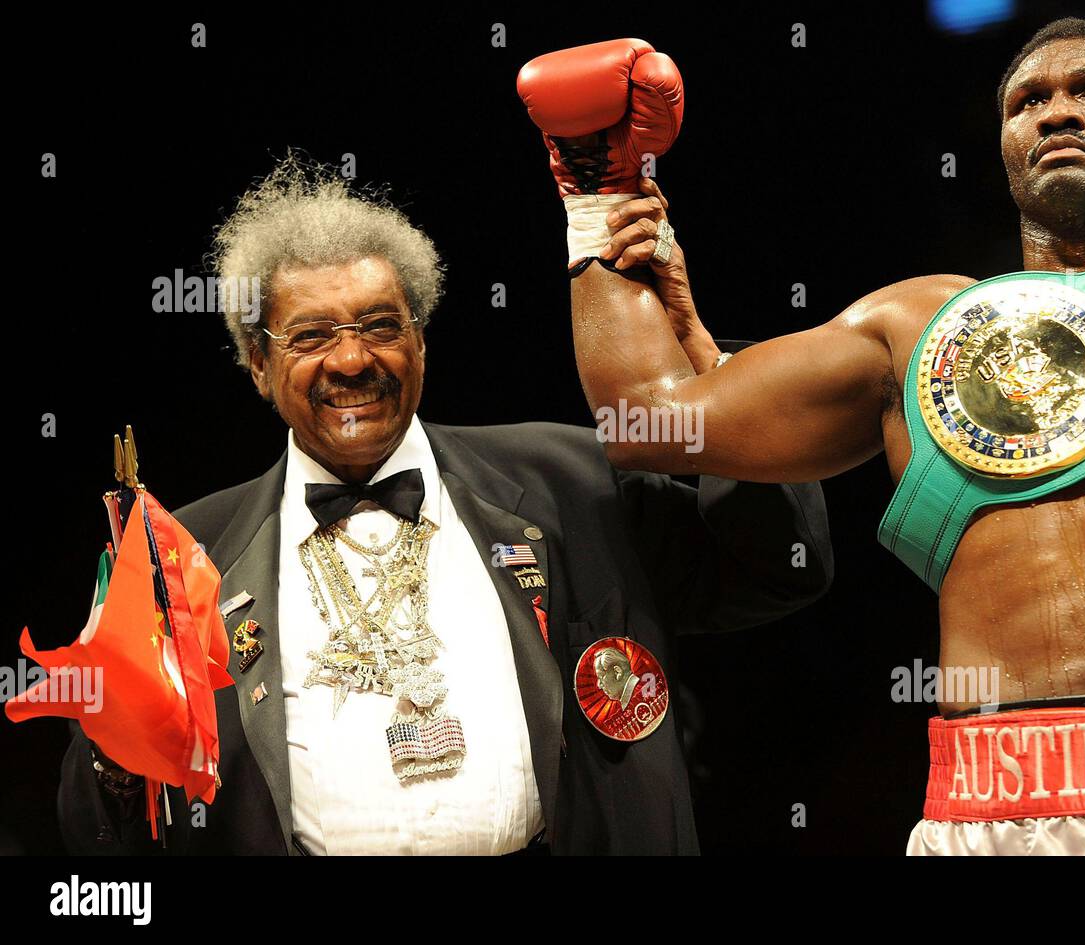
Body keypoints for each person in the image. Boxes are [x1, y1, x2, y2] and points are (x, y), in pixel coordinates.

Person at [518, 25, 1085, 854]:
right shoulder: (914, 327)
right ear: (1002, 148)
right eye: (1027, 102)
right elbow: (650, 420)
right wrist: (596, 193)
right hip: (987, 798)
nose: (1056, 114)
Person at [57, 154, 832, 855]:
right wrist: (114, 745)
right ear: (259, 363)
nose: (353, 358)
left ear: (421, 342)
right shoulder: (185, 554)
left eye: (380, 325)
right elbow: (98, 832)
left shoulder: (572, 482)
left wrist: (702, 353)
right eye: (312, 334)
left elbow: (777, 565)